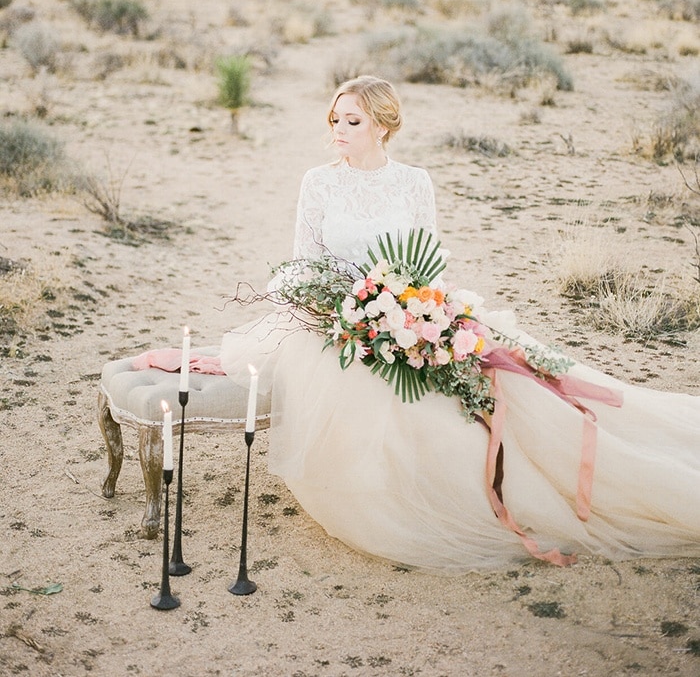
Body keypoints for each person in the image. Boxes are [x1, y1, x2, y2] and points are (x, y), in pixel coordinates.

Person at [219, 75, 700, 573]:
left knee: (504, 383)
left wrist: (418, 313)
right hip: (334, 323)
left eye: (353, 121)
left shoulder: (413, 181)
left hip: (412, 313)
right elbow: (305, 263)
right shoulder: (318, 182)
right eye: (335, 120)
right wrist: (347, 312)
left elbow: (429, 263)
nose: (339, 129)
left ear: (383, 126)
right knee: (356, 387)